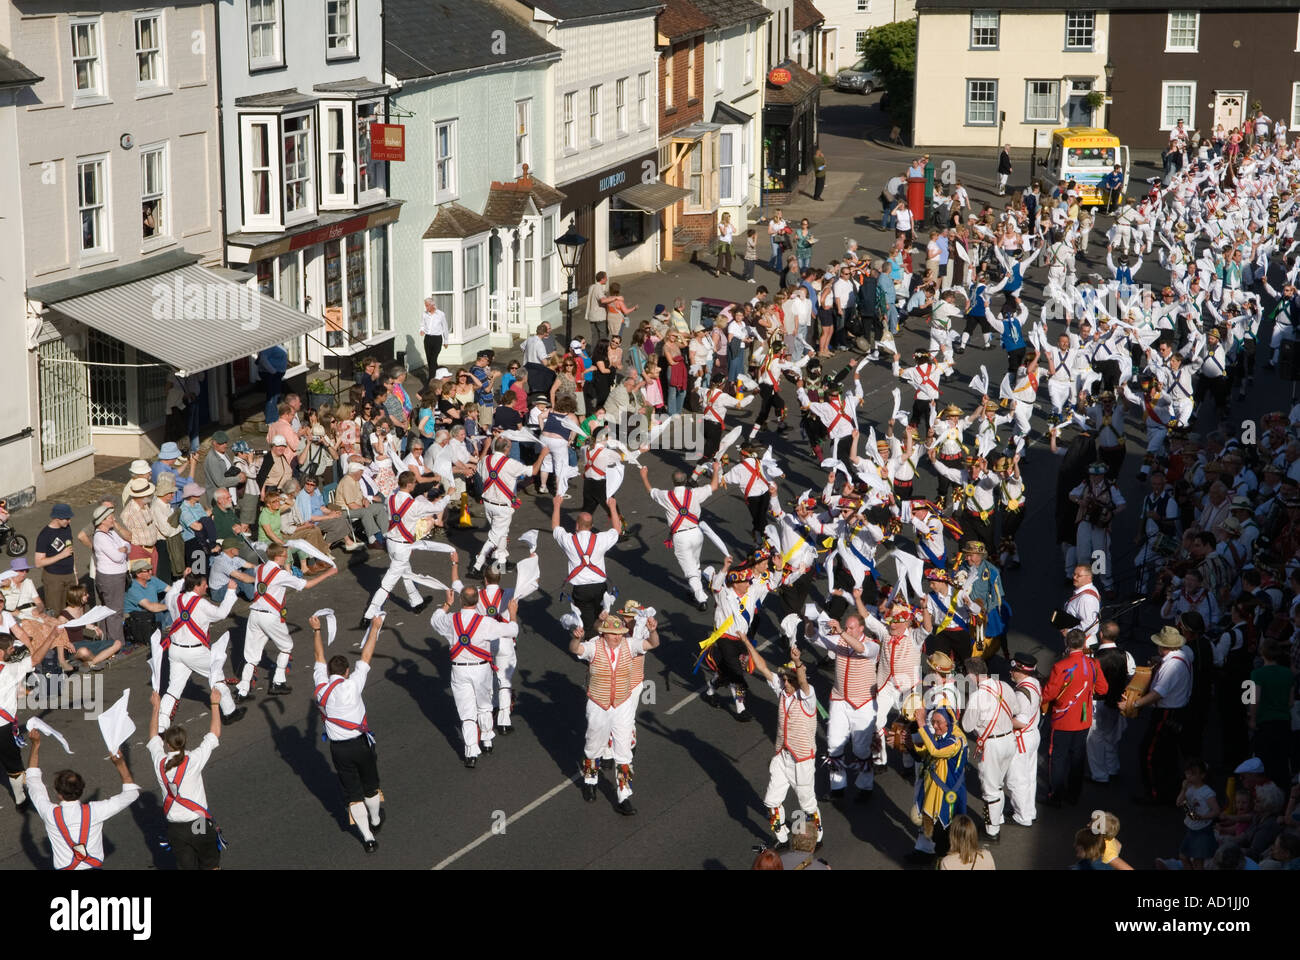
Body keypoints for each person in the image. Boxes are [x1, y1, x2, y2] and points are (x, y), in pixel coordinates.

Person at [570, 611, 660, 815]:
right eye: (613, 633)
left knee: (624, 749)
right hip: (598, 704)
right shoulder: (594, 646)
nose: (617, 637)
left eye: (620, 633)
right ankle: (590, 780)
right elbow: (576, 649)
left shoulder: (630, 645)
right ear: (604, 633)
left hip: (622, 704)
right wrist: (576, 639)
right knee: (594, 744)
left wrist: (653, 631)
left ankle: (624, 794)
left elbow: (652, 644)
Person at [313, 612, 386, 852]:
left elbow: (318, 657)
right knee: (370, 785)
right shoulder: (353, 684)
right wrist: (375, 627)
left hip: (339, 749)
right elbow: (366, 655)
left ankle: (368, 839)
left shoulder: (321, 688)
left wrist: (316, 630)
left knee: (353, 794)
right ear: (345, 672)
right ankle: (375, 820)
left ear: (329, 673)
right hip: (361, 744)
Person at [743, 634, 822, 847]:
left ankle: (817, 837)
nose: (785, 683)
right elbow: (763, 668)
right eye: (785, 679)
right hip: (782, 755)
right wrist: (746, 641)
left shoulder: (807, 698)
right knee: (771, 801)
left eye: (789, 679)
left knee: (806, 803)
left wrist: (797, 662)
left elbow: (804, 681)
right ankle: (783, 838)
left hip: (802, 758)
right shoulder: (782, 692)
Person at [429, 584, 521, 768]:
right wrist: (512, 613)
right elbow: (512, 631)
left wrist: (447, 604)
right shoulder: (485, 622)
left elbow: (434, 619)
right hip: (480, 669)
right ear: (477, 601)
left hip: (459, 670)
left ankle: (471, 752)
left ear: (461, 600)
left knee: (466, 712)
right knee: (484, 705)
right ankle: (486, 740)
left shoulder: (451, 620)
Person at [235, 543, 338, 700]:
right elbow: (307, 585)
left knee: (251, 655)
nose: (286, 558)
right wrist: (329, 573)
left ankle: (242, 690)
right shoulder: (280, 574)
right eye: (284, 555)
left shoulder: (260, 569)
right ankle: (278, 682)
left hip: (254, 614)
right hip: (269, 616)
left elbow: (251, 578)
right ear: (278, 556)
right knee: (286, 646)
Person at [25, 729, 140, 870]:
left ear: (57, 792)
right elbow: (131, 794)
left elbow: (32, 779)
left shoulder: (50, 813)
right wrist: (120, 764)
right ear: (81, 789)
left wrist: (35, 745)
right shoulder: (95, 811)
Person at [158, 572, 247, 731]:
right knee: (216, 676)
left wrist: (181, 580)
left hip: (175, 650)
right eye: (204, 584)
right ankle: (230, 712)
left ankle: (161, 725)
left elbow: (171, 592)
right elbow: (221, 614)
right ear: (196, 586)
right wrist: (231, 592)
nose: (207, 586)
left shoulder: (175, 599)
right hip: (195, 652)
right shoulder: (201, 603)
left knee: (174, 688)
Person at [148, 686, 225, 869]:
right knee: (211, 865)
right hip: (198, 822)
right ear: (184, 741)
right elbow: (214, 734)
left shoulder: (160, 762)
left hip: (176, 829)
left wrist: (156, 707)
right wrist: (214, 704)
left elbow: (152, 737)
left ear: (166, 744)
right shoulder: (193, 760)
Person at [362, 471, 450, 622]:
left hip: (391, 542)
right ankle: (369, 614)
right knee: (388, 583)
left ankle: (417, 602)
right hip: (403, 546)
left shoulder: (390, 498)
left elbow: (393, 500)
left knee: (406, 571)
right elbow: (437, 508)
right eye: (414, 483)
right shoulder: (415, 505)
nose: (416, 485)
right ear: (409, 485)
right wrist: (448, 495)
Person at [0, 627, 72, 808]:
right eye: (10, 649)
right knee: (13, 765)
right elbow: (36, 659)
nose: (13, 651)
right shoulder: (10, 670)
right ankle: (21, 799)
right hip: (3, 726)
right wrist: (52, 635)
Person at [1040, 628, 1108, 807]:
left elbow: (1049, 694)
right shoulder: (1093, 664)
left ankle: (1056, 795)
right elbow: (1103, 689)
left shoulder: (1060, 666)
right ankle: (1073, 795)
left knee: (1057, 759)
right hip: (1083, 719)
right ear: (1084, 644)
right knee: (1077, 758)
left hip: (1063, 719)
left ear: (1067, 644)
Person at [1126, 625, 1191, 805]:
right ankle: (1170, 790)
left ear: (1163, 647)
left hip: (1166, 712)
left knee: (1149, 753)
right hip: (1178, 710)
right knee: (1167, 754)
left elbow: (1158, 693)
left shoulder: (1171, 666)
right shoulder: (1183, 656)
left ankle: (1154, 793)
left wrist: (1134, 703)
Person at [642, 464, 721, 609]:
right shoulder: (694, 493)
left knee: (690, 570)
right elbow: (714, 486)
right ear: (685, 481)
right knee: (695, 564)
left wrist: (644, 476)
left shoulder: (666, 496)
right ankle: (694, 590)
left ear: (673, 481)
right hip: (696, 533)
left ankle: (701, 598)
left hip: (681, 537)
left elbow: (650, 491)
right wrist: (716, 469)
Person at [961, 658, 1017, 842]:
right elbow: (1015, 709)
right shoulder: (1004, 686)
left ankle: (992, 831)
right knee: (998, 783)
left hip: (992, 744)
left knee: (990, 788)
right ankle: (996, 818)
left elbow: (967, 726)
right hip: (1009, 739)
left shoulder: (977, 696)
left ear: (972, 675)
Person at [552, 494, 622, 633]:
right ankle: (601, 645)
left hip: (581, 589)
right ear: (592, 526)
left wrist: (557, 505)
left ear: (576, 525)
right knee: (601, 620)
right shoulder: (601, 539)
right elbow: (617, 530)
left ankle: (590, 645)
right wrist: (613, 508)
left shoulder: (569, 540)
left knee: (585, 623)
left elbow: (555, 527)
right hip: (599, 587)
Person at [907, 704, 968, 864]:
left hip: (949, 799)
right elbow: (925, 755)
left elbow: (935, 750)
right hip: (935, 795)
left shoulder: (956, 740)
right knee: (936, 837)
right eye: (932, 722)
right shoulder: (940, 736)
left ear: (949, 722)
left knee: (947, 842)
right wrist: (908, 744)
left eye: (938, 722)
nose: (934, 726)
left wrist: (921, 723)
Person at [34, 502, 77, 619]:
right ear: (57, 518)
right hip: (54, 578)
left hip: (69, 575)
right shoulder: (44, 535)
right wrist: (61, 555)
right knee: (54, 612)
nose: (69, 521)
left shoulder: (67, 528)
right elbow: (38, 562)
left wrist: (75, 573)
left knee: (71, 609)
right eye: (67, 518)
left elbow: (71, 550)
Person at [420, 296, 448, 375]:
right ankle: (436, 376)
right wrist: (422, 330)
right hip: (427, 338)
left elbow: (445, 328)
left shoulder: (441, 314)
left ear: (432, 305)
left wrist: (446, 341)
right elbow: (422, 324)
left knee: (433, 359)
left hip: (437, 339)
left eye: (427, 305)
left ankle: (431, 380)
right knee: (430, 360)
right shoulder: (424, 314)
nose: (426, 307)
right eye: (425, 305)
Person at [585, 271, 609, 344]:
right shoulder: (598, 287)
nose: (607, 279)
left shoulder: (592, 287)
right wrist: (615, 298)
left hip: (592, 316)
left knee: (594, 336)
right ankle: (602, 353)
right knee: (603, 337)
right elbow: (602, 300)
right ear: (602, 279)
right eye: (606, 278)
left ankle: (593, 353)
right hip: (599, 316)